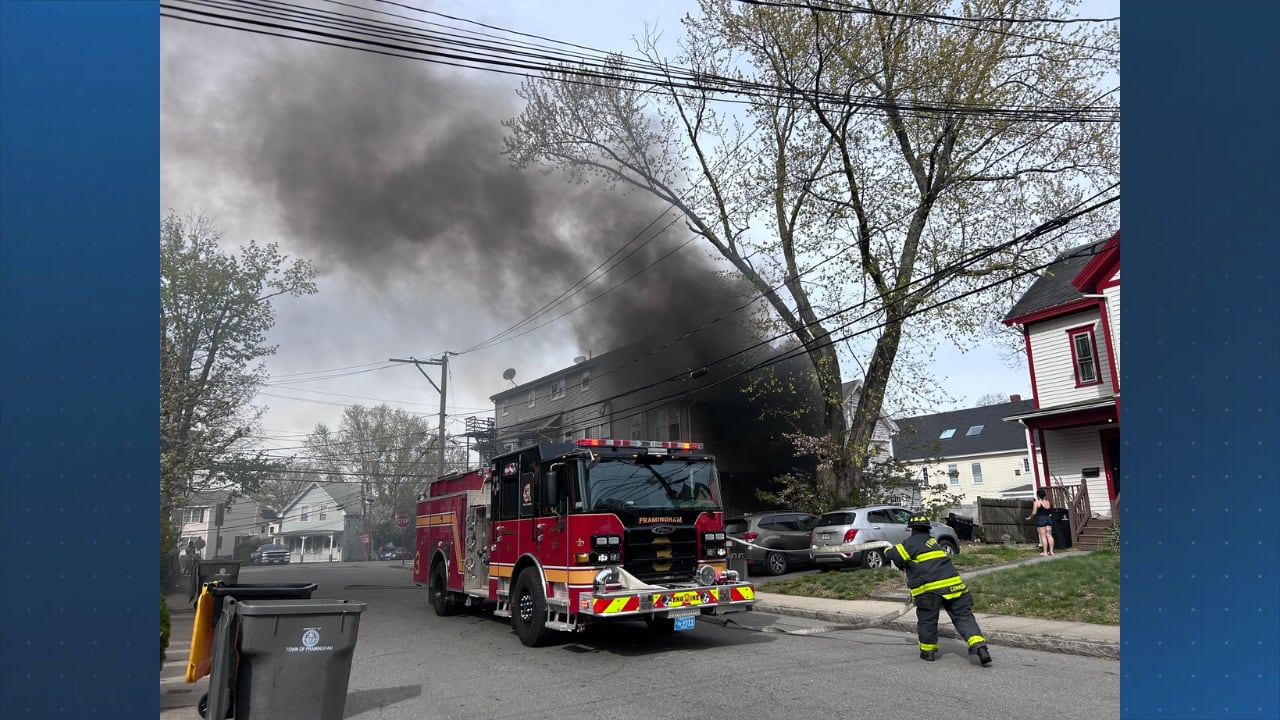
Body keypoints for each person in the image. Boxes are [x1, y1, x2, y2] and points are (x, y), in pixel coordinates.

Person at [884, 513, 992, 666]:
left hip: (931, 591)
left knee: (927, 620)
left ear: (912, 529)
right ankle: (980, 647)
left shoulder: (909, 544)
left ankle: (928, 652)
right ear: (928, 529)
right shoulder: (933, 542)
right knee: (964, 618)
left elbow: (893, 554)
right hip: (956, 587)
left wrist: (886, 550)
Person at [1026, 488, 1055, 556]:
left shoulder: (1037, 502)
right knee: (1049, 535)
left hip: (1040, 519)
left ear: (1038, 496)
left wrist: (1030, 517)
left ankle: (1045, 552)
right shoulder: (1048, 502)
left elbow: (1034, 512)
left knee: (1043, 536)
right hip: (1048, 519)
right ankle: (1051, 551)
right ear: (1044, 495)